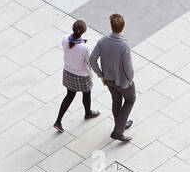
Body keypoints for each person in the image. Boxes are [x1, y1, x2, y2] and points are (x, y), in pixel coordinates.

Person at [90, 13, 135, 142]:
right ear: (122, 28)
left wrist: (101, 75)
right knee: (130, 99)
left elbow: (92, 59)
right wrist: (130, 79)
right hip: (122, 81)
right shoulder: (124, 46)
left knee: (116, 100)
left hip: (108, 79)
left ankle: (120, 124)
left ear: (111, 26)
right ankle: (118, 131)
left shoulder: (102, 41)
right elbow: (129, 69)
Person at [55, 20, 100, 133]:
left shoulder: (65, 39)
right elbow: (90, 62)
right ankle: (88, 113)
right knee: (87, 93)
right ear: (83, 32)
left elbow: (72, 47)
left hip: (68, 72)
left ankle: (58, 121)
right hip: (81, 75)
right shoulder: (85, 48)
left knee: (69, 95)